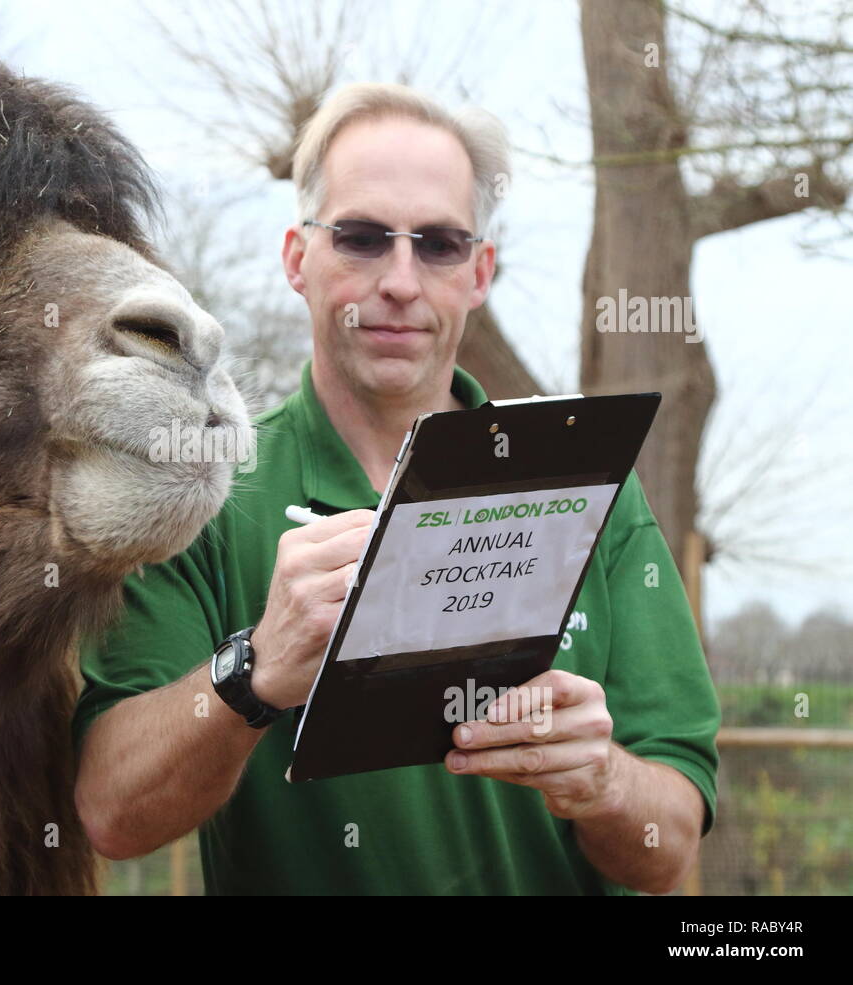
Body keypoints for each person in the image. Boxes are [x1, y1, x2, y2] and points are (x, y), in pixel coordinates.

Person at [72, 83, 720, 895]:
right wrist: (257, 669)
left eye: (441, 244)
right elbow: (112, 813)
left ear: (479, 272)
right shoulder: (206, 484)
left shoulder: (592, 491)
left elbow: (669, 848)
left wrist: (605, 782)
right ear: (297, 258)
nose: (402, 281)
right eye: (363, 237)